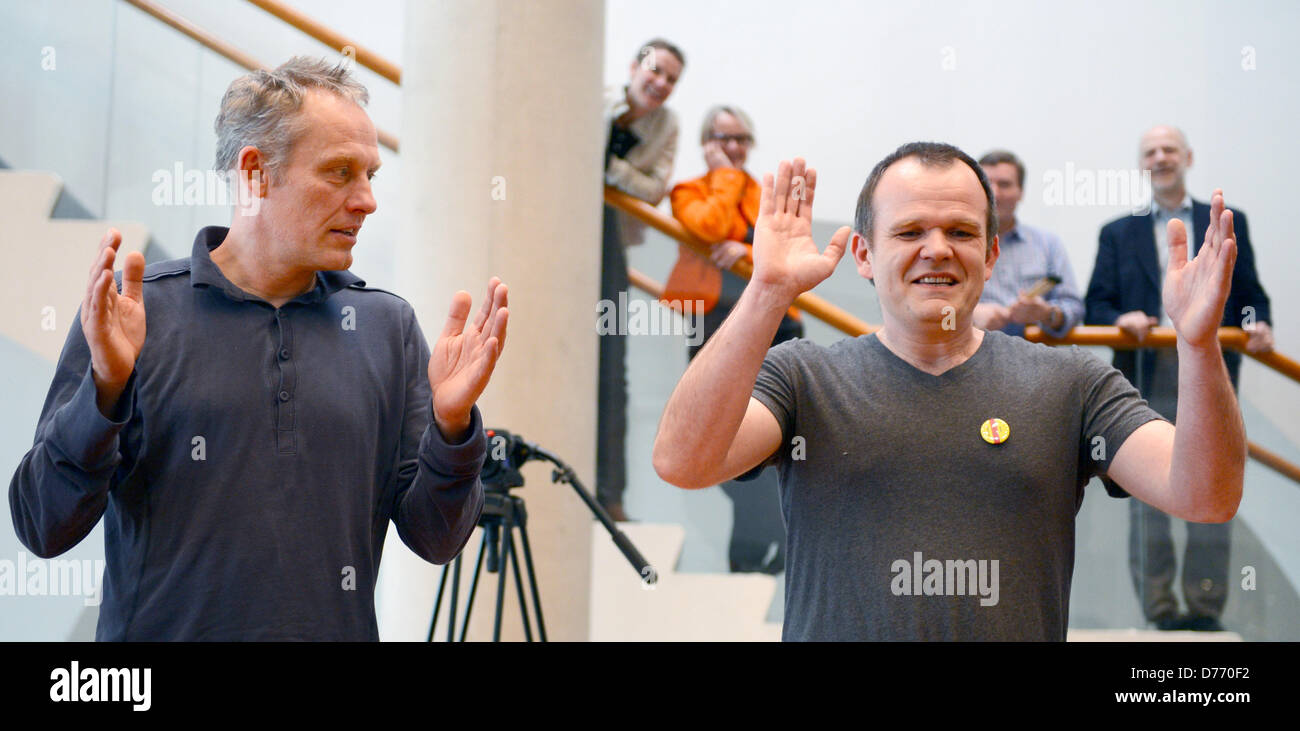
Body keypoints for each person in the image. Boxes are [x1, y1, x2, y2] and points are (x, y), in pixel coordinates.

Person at [653, 143, 1245, 641]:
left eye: (960, 232)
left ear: (990, 256)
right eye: (910, 231)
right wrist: (767, 292)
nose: (937, 248)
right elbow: (683, 461)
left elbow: (1206, 496)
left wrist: (1197, 345)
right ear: (863, 254)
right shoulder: (801, 377)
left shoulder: (1073, 384)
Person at [8, 57, 509, 641]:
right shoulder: (137, 315)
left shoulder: (385, 327)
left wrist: (452, 429)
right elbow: (43, 526)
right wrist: (104, 393)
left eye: (371, 174)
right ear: (255, 174)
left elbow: (436, 539)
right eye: (340, 172)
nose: (367, 200)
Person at [1084, 125, 1271, 632]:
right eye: (1151, 152)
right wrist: (1120, 320)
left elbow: (1249, 292)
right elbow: (1095, 304)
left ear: (1187, 156)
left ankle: (1205, 609)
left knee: (1213, 484)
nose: (1161, 157)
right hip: (1141, 380)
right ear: (1142, 164)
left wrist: (1256, 322)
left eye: (1169, 149)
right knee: (1149, 499)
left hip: (1207, 375)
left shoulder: (1229, 224)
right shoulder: (1116, 232)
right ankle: (1160, 610)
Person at [663, 105, 801, 573]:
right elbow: (708, 226)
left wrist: (744, 250)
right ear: (707, 142)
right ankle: (771, 543)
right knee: (718, 434)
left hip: (777, 324)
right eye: (724, 138)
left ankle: (753, 556)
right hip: (714, 323)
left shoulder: (769, 195)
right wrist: (724, 178)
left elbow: (784, 248)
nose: (735, 147)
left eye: (742, 138)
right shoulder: (689, 191)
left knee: (769, 437)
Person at [597, 39, 684, 522]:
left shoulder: (667, 124)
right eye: (656, 70)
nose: (661, 83)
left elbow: (655, 191)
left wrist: (605, 170)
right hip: (569, 231)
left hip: (614, 242)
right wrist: (623, 174)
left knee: (614, 371)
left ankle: (611, 496)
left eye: (672, 79)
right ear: (634, 66)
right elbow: (570, 157)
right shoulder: (596, 99)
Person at [972, 150, 1084, 339]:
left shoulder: (1048, 244)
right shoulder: (954, 243)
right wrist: (969, 315)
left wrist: (1046, 313)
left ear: (1021, 192)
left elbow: (1075, 309)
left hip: (1038, 359)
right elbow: (934, 307)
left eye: (1005, 184)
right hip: (971, 360)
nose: (995, 193)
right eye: (987, 184)